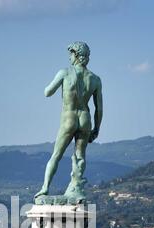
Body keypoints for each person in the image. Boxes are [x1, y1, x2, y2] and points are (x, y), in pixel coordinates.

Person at [35, 41, 102, 201]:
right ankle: (76, 187)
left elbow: (47, 92)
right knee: (80, 156)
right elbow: (99, 109)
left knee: (56, 155)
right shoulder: (95, 79)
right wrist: (97, 129)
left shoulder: (65, 73)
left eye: (71, 54)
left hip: (69, 117)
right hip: (85, 118)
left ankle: (45, 188)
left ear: (77, 55)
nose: (69, 57)